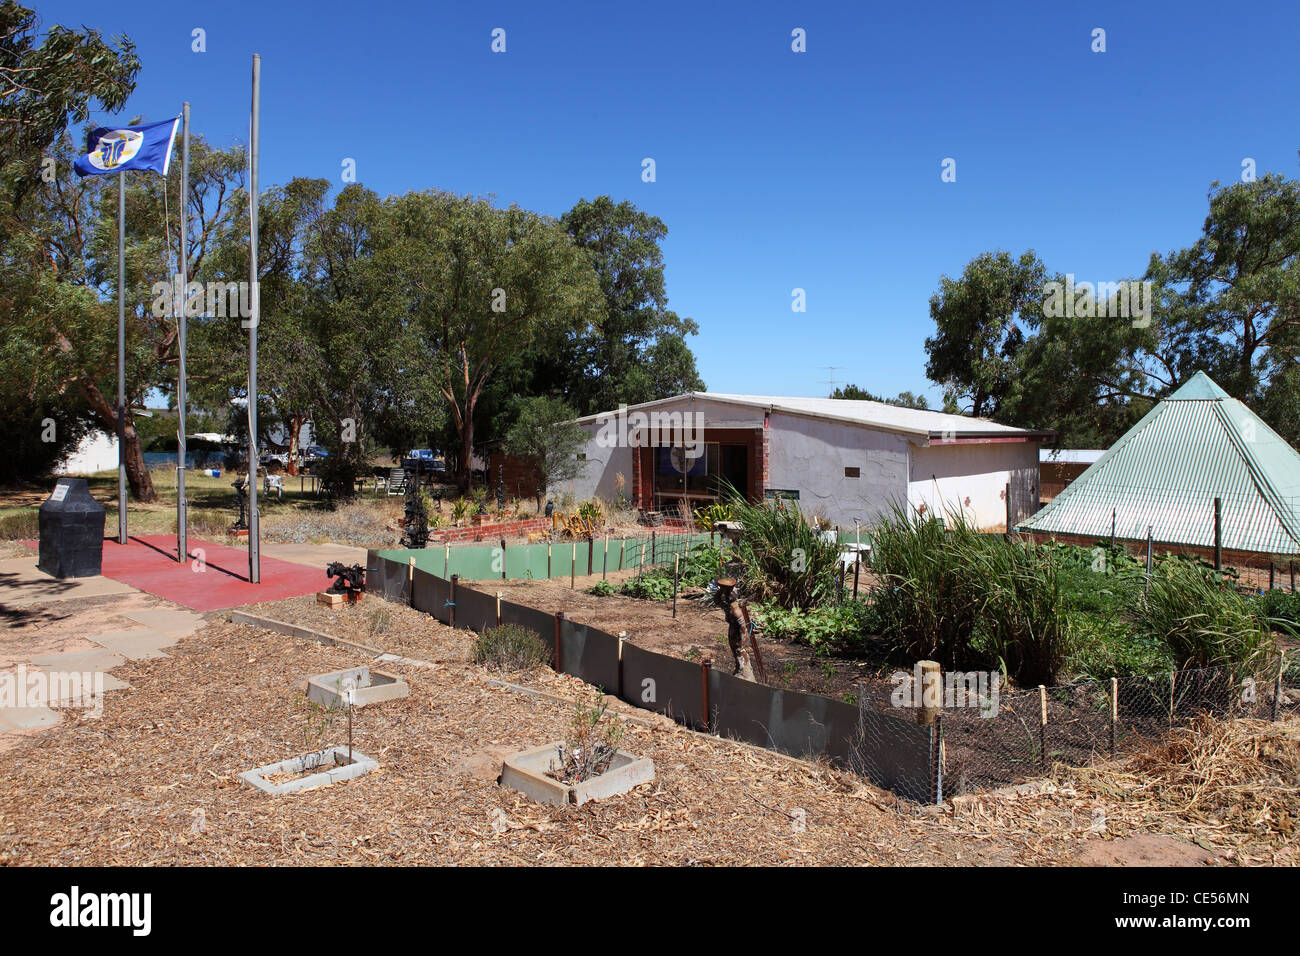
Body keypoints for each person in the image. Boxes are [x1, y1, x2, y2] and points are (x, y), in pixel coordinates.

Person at [716, 577, 760, 682]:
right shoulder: (728, 608)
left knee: (740, 652)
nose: (726, 596)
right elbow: (717, 600)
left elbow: (743, 627)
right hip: (732, 632)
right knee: (735, 652)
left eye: (729, 593)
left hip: (737, 635)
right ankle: (739, 669)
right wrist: (721, 589)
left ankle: (745, 673)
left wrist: (742, 642)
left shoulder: (736, 611)